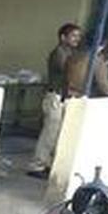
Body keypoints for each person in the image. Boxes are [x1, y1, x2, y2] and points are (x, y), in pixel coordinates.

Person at [28, 23, 83, 179]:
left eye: (78, 36)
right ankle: (37, 165)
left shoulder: (70, 53)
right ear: (63, 37)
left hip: (64, 96)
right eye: (73, 36)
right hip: (55, 96)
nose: (77, 39)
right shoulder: (59, 53)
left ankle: (46, 163)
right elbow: (68, 71)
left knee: (57, 133)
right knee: (50, 133)